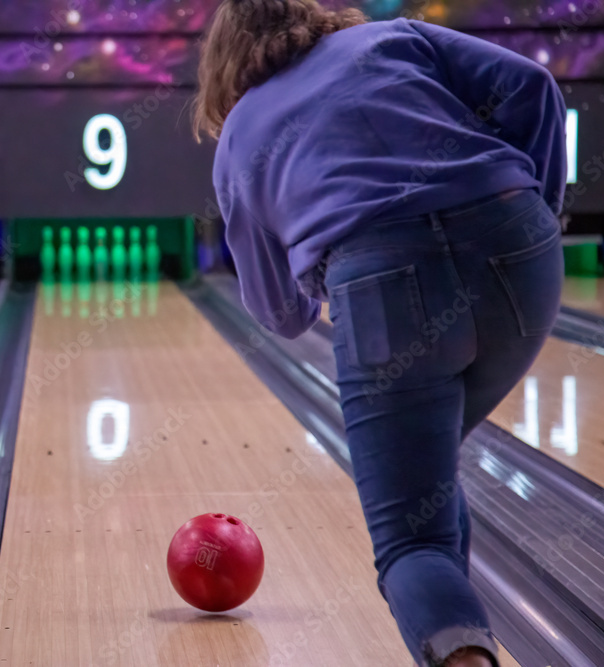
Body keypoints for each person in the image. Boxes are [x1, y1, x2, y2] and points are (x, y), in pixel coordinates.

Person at [193, 1, 567, 666]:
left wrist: (320, 280)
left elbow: (280, 314)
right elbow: (533, 88)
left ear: (222, 62)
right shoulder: (390, 37)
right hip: (521, 253)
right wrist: (534, 209)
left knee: (410, 540)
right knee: (430, 478)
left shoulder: (240, 136)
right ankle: (458, 622)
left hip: (386, 288)